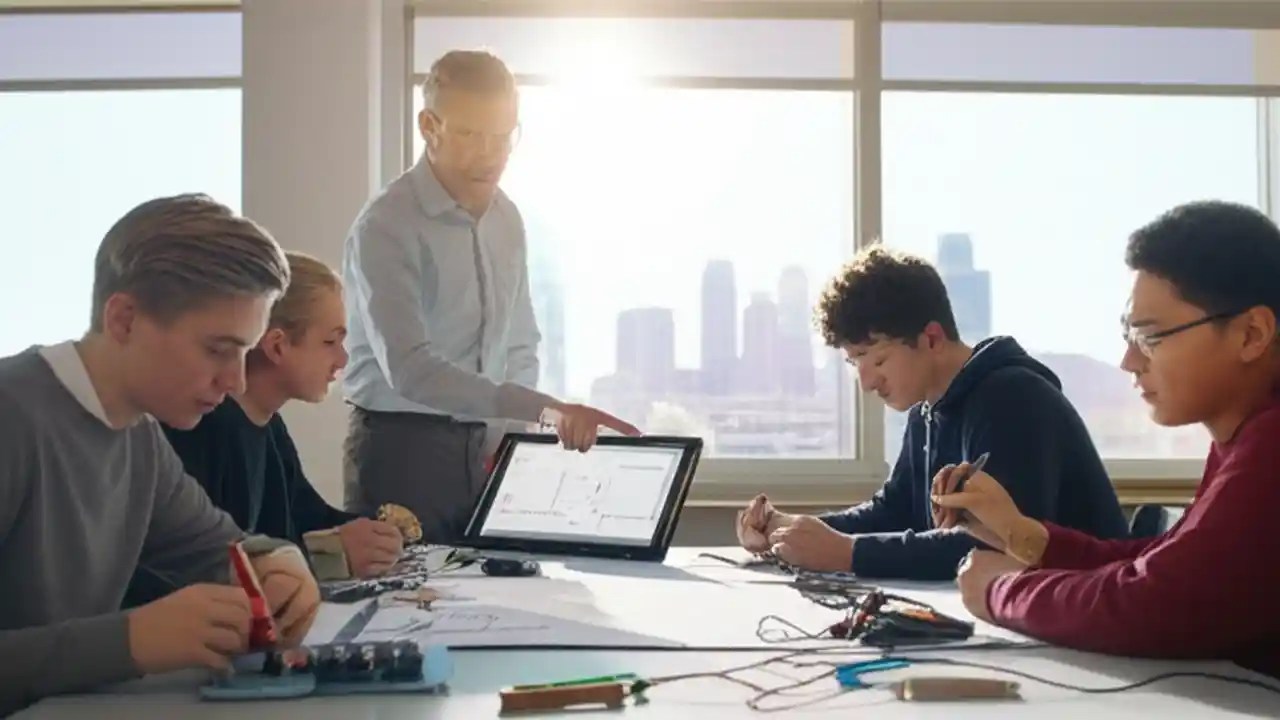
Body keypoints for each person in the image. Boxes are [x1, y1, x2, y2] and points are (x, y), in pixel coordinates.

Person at [0, 194, 321, 715]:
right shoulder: (12, 417)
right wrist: (128, 641)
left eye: (245, 352)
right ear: (124, 319)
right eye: (218, 350)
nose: (236, 381)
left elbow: (222, 549)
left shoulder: (140, 436)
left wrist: (277, 561)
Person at [934, 200, 1280, 677]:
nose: (1129, 362)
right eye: (1128, 337)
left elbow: (1155, 603)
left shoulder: (1271, 444)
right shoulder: (1242, 440)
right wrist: (1020, 533)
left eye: (1150, 338)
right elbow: (1163, 560)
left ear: (1251, 334)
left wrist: (1000, 592)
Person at [342, 49, 638, 542]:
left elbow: (520, 342)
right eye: (469, 134)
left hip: (490, 448)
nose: (489, 154)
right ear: (429, 126)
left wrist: (514, 437)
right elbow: (410, 368)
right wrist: (540, 408)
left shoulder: (507, 219)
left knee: (501, 585)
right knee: (404, 588)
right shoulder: (386, 225)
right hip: (402, 448)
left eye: (502, 136)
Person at [736, 247, 1127, 579]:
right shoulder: (927, 409)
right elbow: (894, 511)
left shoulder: (1013, 397)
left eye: (878, 360)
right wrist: (789, 531)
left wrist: (847, 554)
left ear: (932, 338)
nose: (867, 383)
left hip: (1090, 613)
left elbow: (997, 544)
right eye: (855, 364)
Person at [124, 253, 403, 608]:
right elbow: (213, 566)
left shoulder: (268, 425)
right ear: (276, 345)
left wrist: (375, 535)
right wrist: (333, 554)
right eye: (330, 342)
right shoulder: (207, 428)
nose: (342, 360)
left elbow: (306, 517)